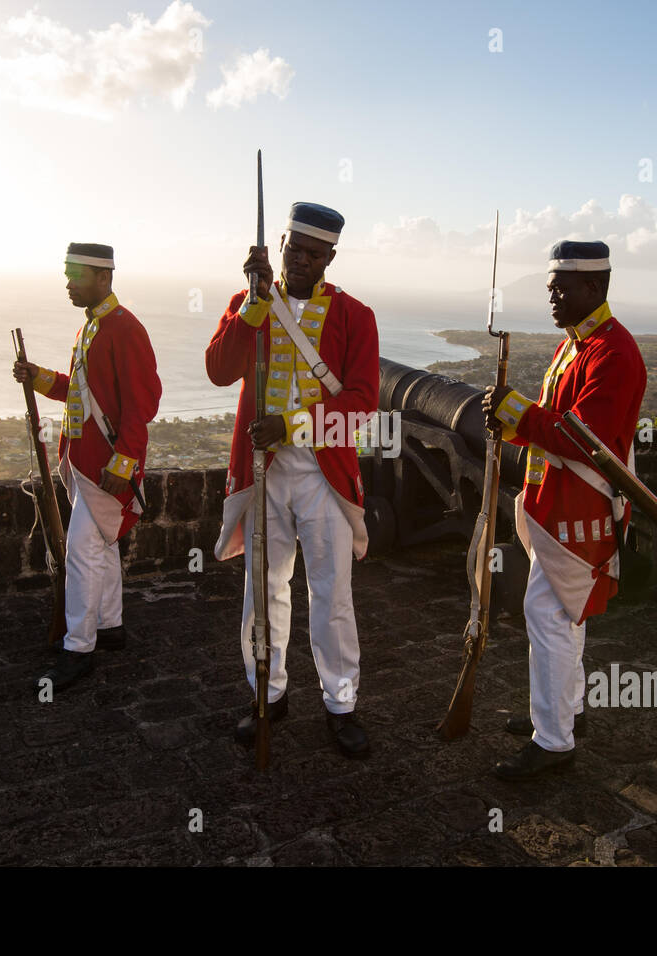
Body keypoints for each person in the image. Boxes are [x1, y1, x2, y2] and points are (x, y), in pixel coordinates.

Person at [206, 203, 379, 757]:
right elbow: (219, 369)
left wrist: (294, 422)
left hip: (322, 473)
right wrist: (253, 308)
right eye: (292, 250)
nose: (300, 261)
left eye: (312, 254)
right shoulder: (251, 304)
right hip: (266, 472)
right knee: (263, 589)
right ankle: (268, 691)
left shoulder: (356, 316)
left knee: (331, 595)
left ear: (330, 256)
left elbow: (361, 405)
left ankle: (341, 702)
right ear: (278, 245)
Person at [483, 240, 647, 779]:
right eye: (550, 287)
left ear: (593, 288)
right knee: (567, 613)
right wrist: (513, 417)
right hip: (554, 501)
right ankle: (563, 713)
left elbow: (580, 439)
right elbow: (553, 420)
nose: (551, 296)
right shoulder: (578, 344)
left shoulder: (613, 353)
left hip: (578, 505)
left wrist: (513, 412)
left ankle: (553, 740)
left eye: (561, 288)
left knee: (549, 614)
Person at [13, 243, 161, 691]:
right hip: (85, 459)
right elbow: (79, 393)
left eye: (76, 275)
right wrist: (36, 375)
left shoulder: (124, 328)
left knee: (81, 553)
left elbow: (144, 402)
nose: (68, 283)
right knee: (103, 546)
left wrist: (124, 461)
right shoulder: (93, 329)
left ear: (103, 277)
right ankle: (111, 625)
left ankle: (79, 646)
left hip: (106, 465)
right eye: (67, 273)